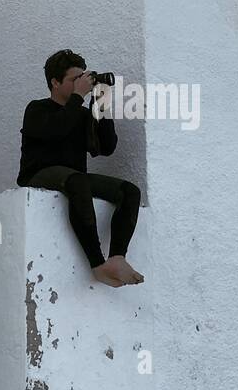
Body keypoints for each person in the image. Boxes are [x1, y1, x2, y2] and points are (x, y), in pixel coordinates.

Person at [17, 49, 144, 287]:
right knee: (78, 180)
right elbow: (56, 130)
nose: (81, 83)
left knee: (129, 192)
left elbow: (106, 148)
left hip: (74, 179)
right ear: (55, 82)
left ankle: (117, 257)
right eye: (74, 79)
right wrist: (78, 97)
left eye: (82, 77)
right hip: (39, 174)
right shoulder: (36, 109)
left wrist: (101, 107)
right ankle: (97, 264)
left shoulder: (81, 114)